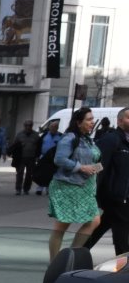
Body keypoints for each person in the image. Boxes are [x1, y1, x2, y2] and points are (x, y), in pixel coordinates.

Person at [46, 107, 104, 262]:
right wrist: (81, 167)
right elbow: (59, 159)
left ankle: (70, 257)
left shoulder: (87, 139)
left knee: (94, 220)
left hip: (85, 187)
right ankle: (55, 263)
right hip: (68, 186)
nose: (93, 122)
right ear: (79, 123)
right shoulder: (70, 138)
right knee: (62, 225)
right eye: (89, 119)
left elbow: (93, 160)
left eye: (93, 119)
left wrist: (97, 168)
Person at [81, 108, 129, 257]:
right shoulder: (111, 140)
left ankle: (78, 251)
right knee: (121, 230)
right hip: (115, 195)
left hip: (124, 194)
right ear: (119, 121)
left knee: (102, 225)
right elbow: (99, 165)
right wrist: (92, 192)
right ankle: (123, 266)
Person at [7, 120, 35, 194]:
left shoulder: (35, 135)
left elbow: (38, 146)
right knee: (20, 173)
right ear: (24, 126)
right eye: (27, 125)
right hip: (21, 157)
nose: (28, 127)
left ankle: (26, 189)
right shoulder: (19, 134)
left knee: (29, 174)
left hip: (31, 157)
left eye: (30, 125)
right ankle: (18, 189)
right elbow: (14, 145)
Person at [34, 119, 61, 195]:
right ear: (49, 127)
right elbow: (38, 146)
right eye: (51, 127)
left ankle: (48, 189)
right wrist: (37, 156)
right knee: (41, 173)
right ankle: (39, 188)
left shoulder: (60, 136)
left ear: (57, 128)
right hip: (43, 157)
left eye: (55, 127)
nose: (53, 128)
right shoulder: (44, 135)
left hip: (53, 157)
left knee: (51, 174)